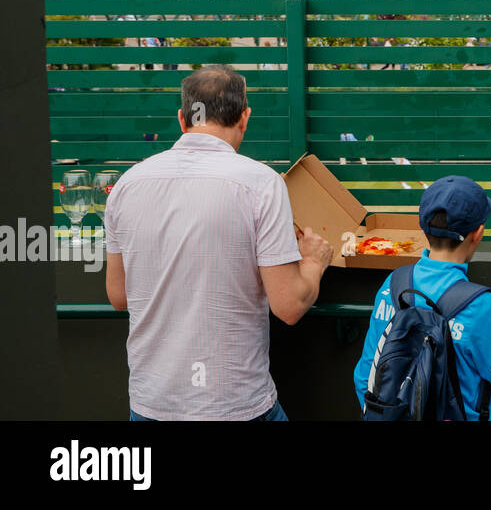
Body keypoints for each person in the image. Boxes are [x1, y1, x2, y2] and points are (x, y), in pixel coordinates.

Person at [104, 65, 332, 420]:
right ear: (245, 117)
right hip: (234, 404)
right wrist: (314, 262)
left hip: (150, 403)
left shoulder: (127, 185)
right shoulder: (262, 184)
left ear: (183, 119)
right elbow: (288, 306)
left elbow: (118, 295)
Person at [353, 176, 491, 420]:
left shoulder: (393, 284)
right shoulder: (480, 304)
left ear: (423, 228)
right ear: (478, 233)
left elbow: (365, 377)